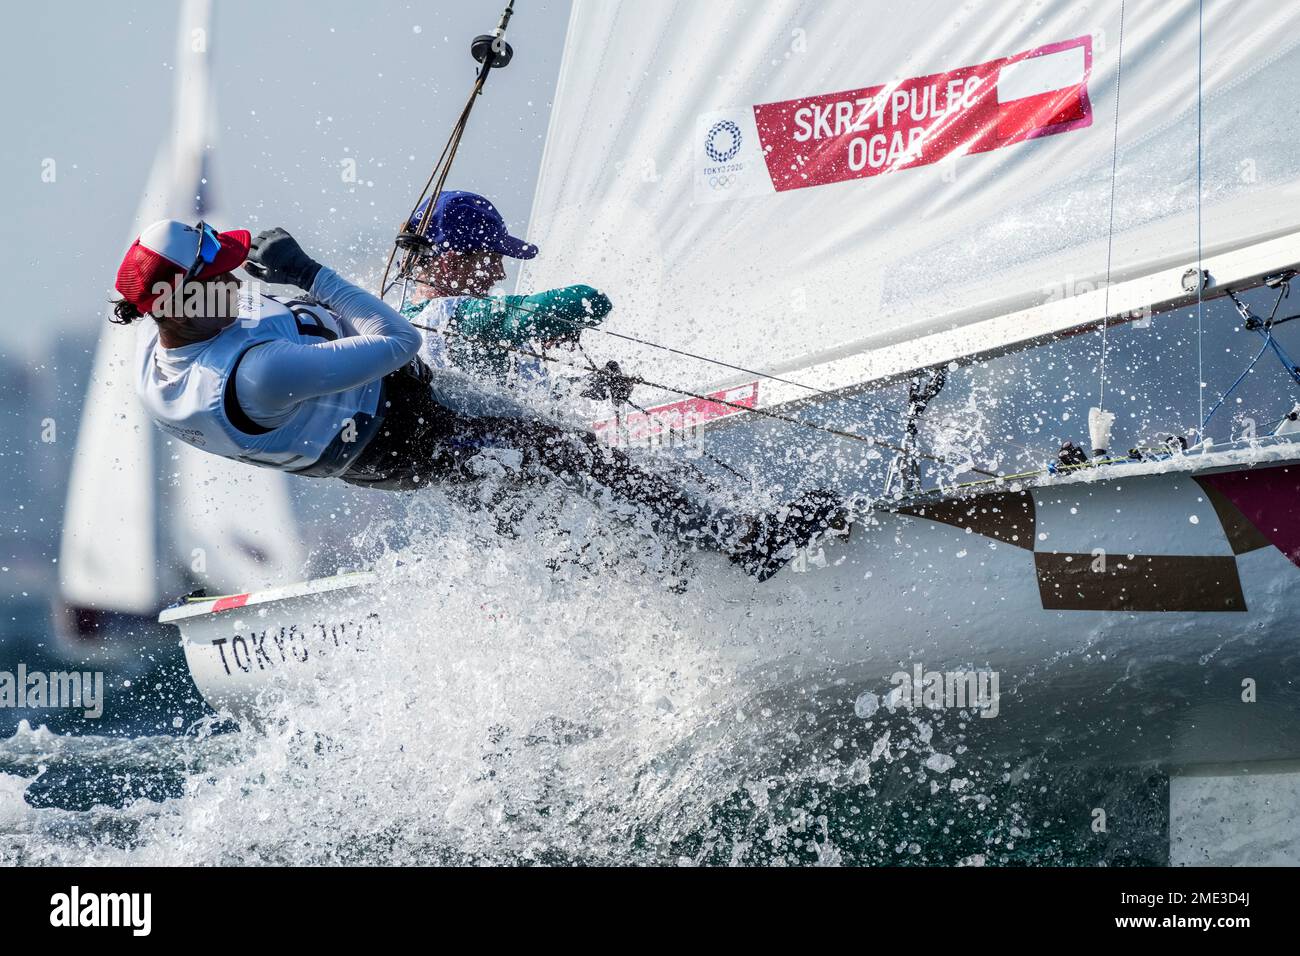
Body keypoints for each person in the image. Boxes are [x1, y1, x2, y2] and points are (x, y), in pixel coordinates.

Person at [112, 218, 843, 581]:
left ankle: (665, 564)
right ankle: (741, 546)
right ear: (182, 296)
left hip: (379, 436)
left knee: (535, 477)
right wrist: (311, 273)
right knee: (560, 449)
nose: (239, 278)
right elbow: (400, 342)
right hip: (404, 433)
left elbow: (198, 318)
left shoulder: (162, 354)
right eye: (224, 271)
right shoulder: (255, 374)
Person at [395, 190, 611, 389]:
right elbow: (591, 300)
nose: (500, 273)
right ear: (452, 263)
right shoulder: (461, 316)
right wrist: (557, 320)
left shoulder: (400, 320)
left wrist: (588, 387)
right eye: (493, 259)